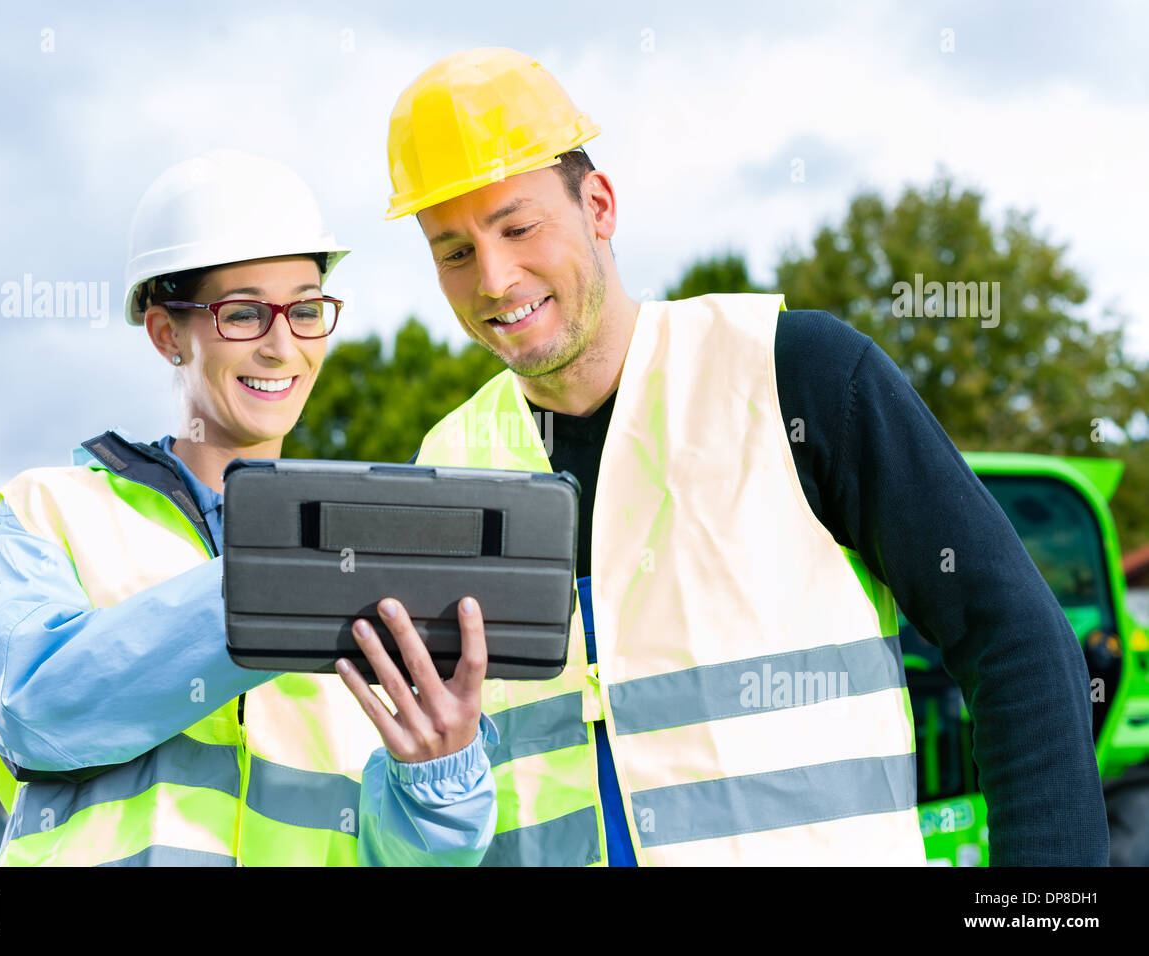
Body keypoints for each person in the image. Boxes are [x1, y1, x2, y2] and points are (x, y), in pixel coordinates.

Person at [386, 47, 1108, 865]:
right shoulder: (446, 467)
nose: (494, 277)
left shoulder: (794, 372)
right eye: (453, 252)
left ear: (598, 204)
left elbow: (1014, 640)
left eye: (519, 226)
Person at [0, 149, 497, 866]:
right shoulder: (51, 510)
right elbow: (37, 713)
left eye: (306, 310)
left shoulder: (372, 548)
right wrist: (276, 575)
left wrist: (439, 775)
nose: (283, 347)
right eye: (244, 314)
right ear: (165, 334)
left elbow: (402, 858)